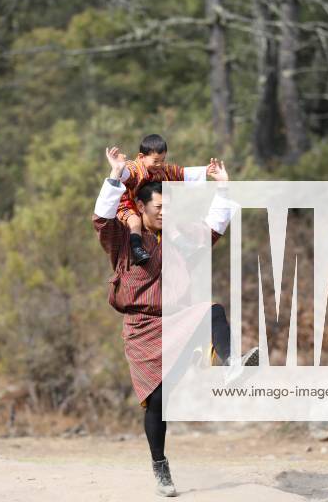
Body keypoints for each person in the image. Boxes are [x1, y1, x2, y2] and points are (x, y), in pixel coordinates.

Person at [92, 149, 236, 497]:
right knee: (158, 400)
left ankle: (232, 364)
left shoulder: (178, 236)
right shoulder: (124, 238)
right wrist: (114, 177)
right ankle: (160, 466)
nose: (165, 213)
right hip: (141, 327)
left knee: (212, 310)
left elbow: (213, 228)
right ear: (141, 208)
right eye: (159, 208)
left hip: (175, 321)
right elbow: (100, 219)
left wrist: (225, 189)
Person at [106, 133, 217, 266]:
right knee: (134, 221)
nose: (159, 165)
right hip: (127, 205)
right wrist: (118, 168)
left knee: (168, 220)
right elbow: (126, 174)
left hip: (150, 208)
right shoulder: (134, 168)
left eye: (162, 160)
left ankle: (185, 248)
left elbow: (179, 173)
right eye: (155, 161)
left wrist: (205, 170)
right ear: (142, 157)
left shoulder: (161, 170)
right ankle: (136, 249)